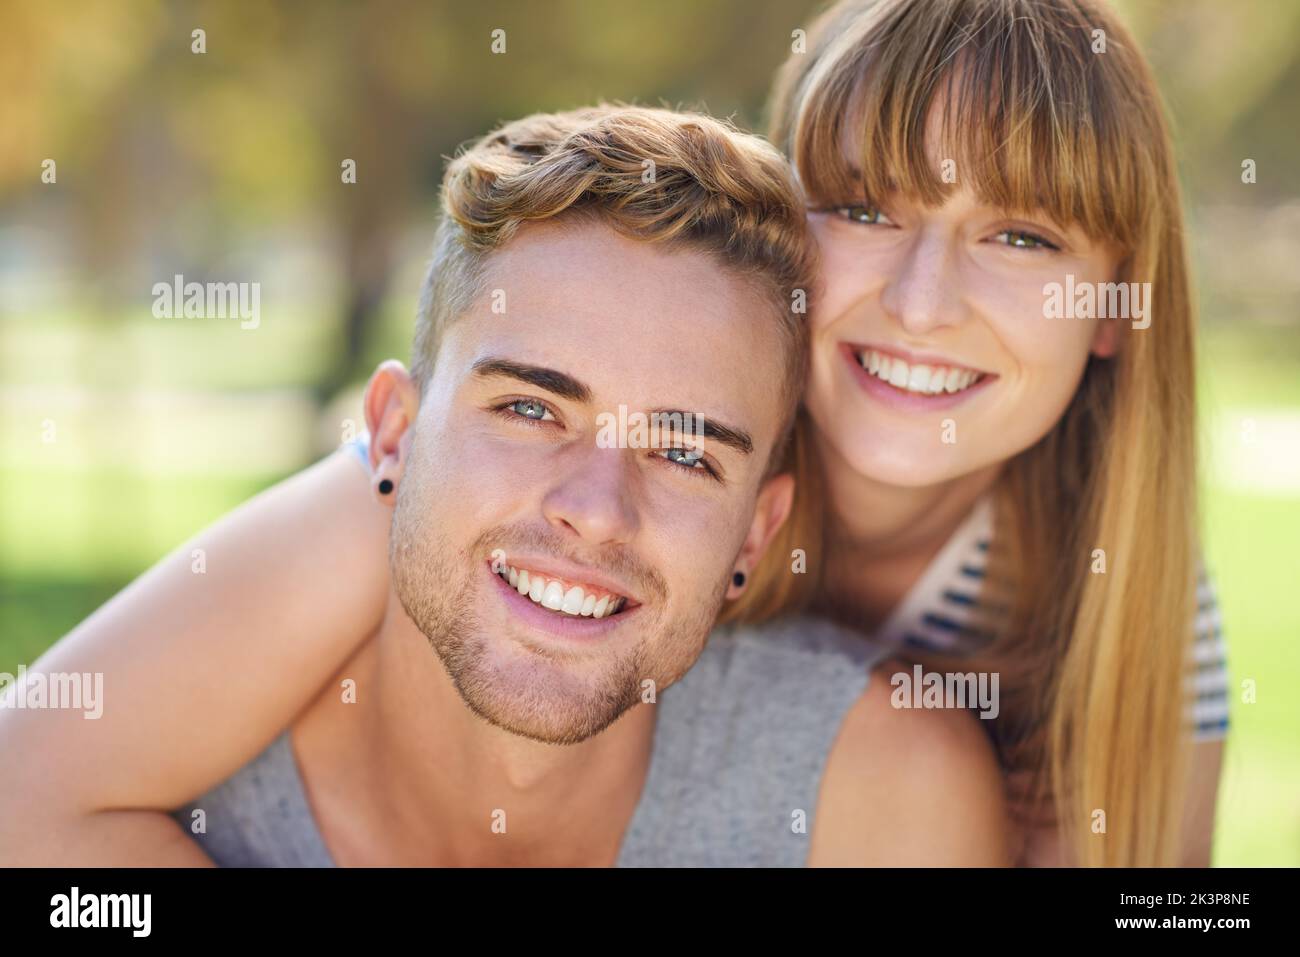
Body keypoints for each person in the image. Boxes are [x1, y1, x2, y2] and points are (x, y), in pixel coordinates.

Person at [3, 0, 1227, 868]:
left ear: (1120, 303)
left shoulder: (1123, 612)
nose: (921, 301)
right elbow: (27, 795)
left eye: (1023, 237)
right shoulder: (404, 492)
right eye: (861, 206)